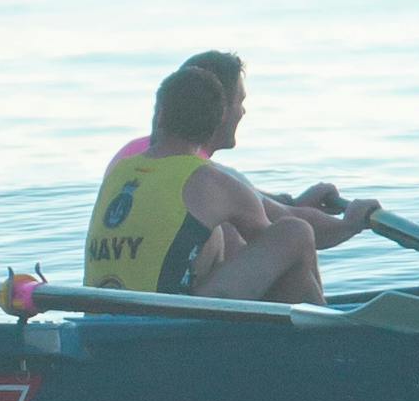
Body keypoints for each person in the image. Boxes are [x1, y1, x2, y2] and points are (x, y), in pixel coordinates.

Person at [85, 51, 377, 305]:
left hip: (106, 315)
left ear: (161, 114)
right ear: (220, 117)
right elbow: (282, 237)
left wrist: (290, 202)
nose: (244, 110)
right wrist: (349, 224)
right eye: (241, 101)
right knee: (295, 234)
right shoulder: (215, 182)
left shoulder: (121, 169)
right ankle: (328, 337)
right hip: (166, 322)